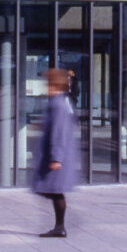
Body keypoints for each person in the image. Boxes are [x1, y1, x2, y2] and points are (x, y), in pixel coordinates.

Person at [32, 67, 79, 237]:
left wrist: (56, 158)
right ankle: (59, 226)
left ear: (54, 84)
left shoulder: (58, 103)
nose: (45, 87)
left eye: (47, 83)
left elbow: (58, 132)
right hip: (56, 154)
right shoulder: (58, 101)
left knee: (52, 189)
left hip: (56, 156)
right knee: (53, 190)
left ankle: (60, 227)